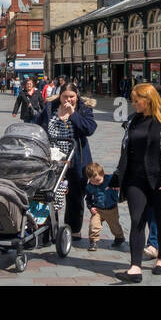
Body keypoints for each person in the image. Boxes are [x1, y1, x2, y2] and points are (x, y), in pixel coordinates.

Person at [112, 82, 161, 282]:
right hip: (136, 178)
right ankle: (135, 267)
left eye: (137, 100)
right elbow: (126, 149)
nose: (133, 103)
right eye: (133, 100)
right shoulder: (133, 120)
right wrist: (119, 175)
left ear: (148, 99)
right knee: (137, 221)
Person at [34, 83, 97, 244]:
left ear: (77, 96)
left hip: (75, 158)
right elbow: (38, 126)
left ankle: (73, 229)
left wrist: (73, 114)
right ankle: (48, 230)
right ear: (59, 95)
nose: (68, 99)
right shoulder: (50, 107)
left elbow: (89, 129)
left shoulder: (84, 109)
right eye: (65, 96)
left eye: (72, 96)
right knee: (48, 193)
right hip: (52, 160)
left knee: (75, 195)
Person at [83, 161, 126, 252]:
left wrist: (120, 188)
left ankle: (119, 237)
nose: (96, 183)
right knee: (93, 225)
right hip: (98, 209)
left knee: (114, 226)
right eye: (92, 181)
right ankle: (93, 241)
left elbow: (121, 181)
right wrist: (90, 207)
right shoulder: (89, 187)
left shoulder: (110, 179)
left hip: (111, 209)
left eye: (98, 180)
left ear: (103, 174)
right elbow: (88, 198)